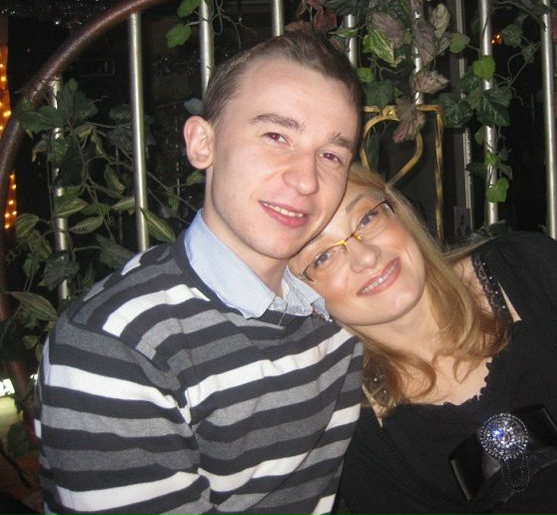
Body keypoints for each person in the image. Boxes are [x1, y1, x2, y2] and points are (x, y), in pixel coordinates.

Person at [34, 30, 365, 515]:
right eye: (276, 136)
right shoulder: (115, 345)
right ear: (202, 143)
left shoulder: (343, 305)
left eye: (331, 155)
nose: (306, 180)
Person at [289, 164, 557, 514]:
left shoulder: (528, 268)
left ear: (397, 212)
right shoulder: (348, 417)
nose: (366, 255)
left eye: (367, 218)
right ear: (302, 297)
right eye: (322, 256)